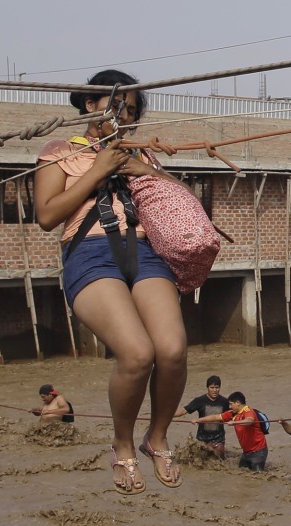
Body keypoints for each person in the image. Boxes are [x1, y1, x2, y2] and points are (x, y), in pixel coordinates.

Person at [33, 69, 186, 495]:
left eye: (133, 110)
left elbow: (179, 199)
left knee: (171, 350)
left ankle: (156, 437)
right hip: (91, 252)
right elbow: (47, 216)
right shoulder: (61, 150)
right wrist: (99, 169)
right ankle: (122, 445)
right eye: (119, 106)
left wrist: (142, 168)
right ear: (91, 105)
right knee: (137, 354)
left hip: (145, 251)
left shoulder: (143, 155)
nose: (126, 116)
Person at [197, 391, 267, 472]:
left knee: (258, 476)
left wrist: (235, 422)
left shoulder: (248, 411)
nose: (229, 407)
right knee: (242, 473)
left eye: (231, 404)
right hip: (246, 452)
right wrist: (199, 420)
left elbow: (249, 421)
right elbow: (216, 417)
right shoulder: (233, 414)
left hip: (258, 451)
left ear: (237, 403)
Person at [174, 375, 229, 459]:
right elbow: (183, 410)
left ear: (220, 388)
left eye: (217, 387)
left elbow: (236, 413)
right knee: (199, 460)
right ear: (207, 387)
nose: (214, 390)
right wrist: (166, 415)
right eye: (212, 387)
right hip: (202, 438)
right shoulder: (199, 401)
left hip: (219, 439)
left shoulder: (225, 402)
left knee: (220, 458)